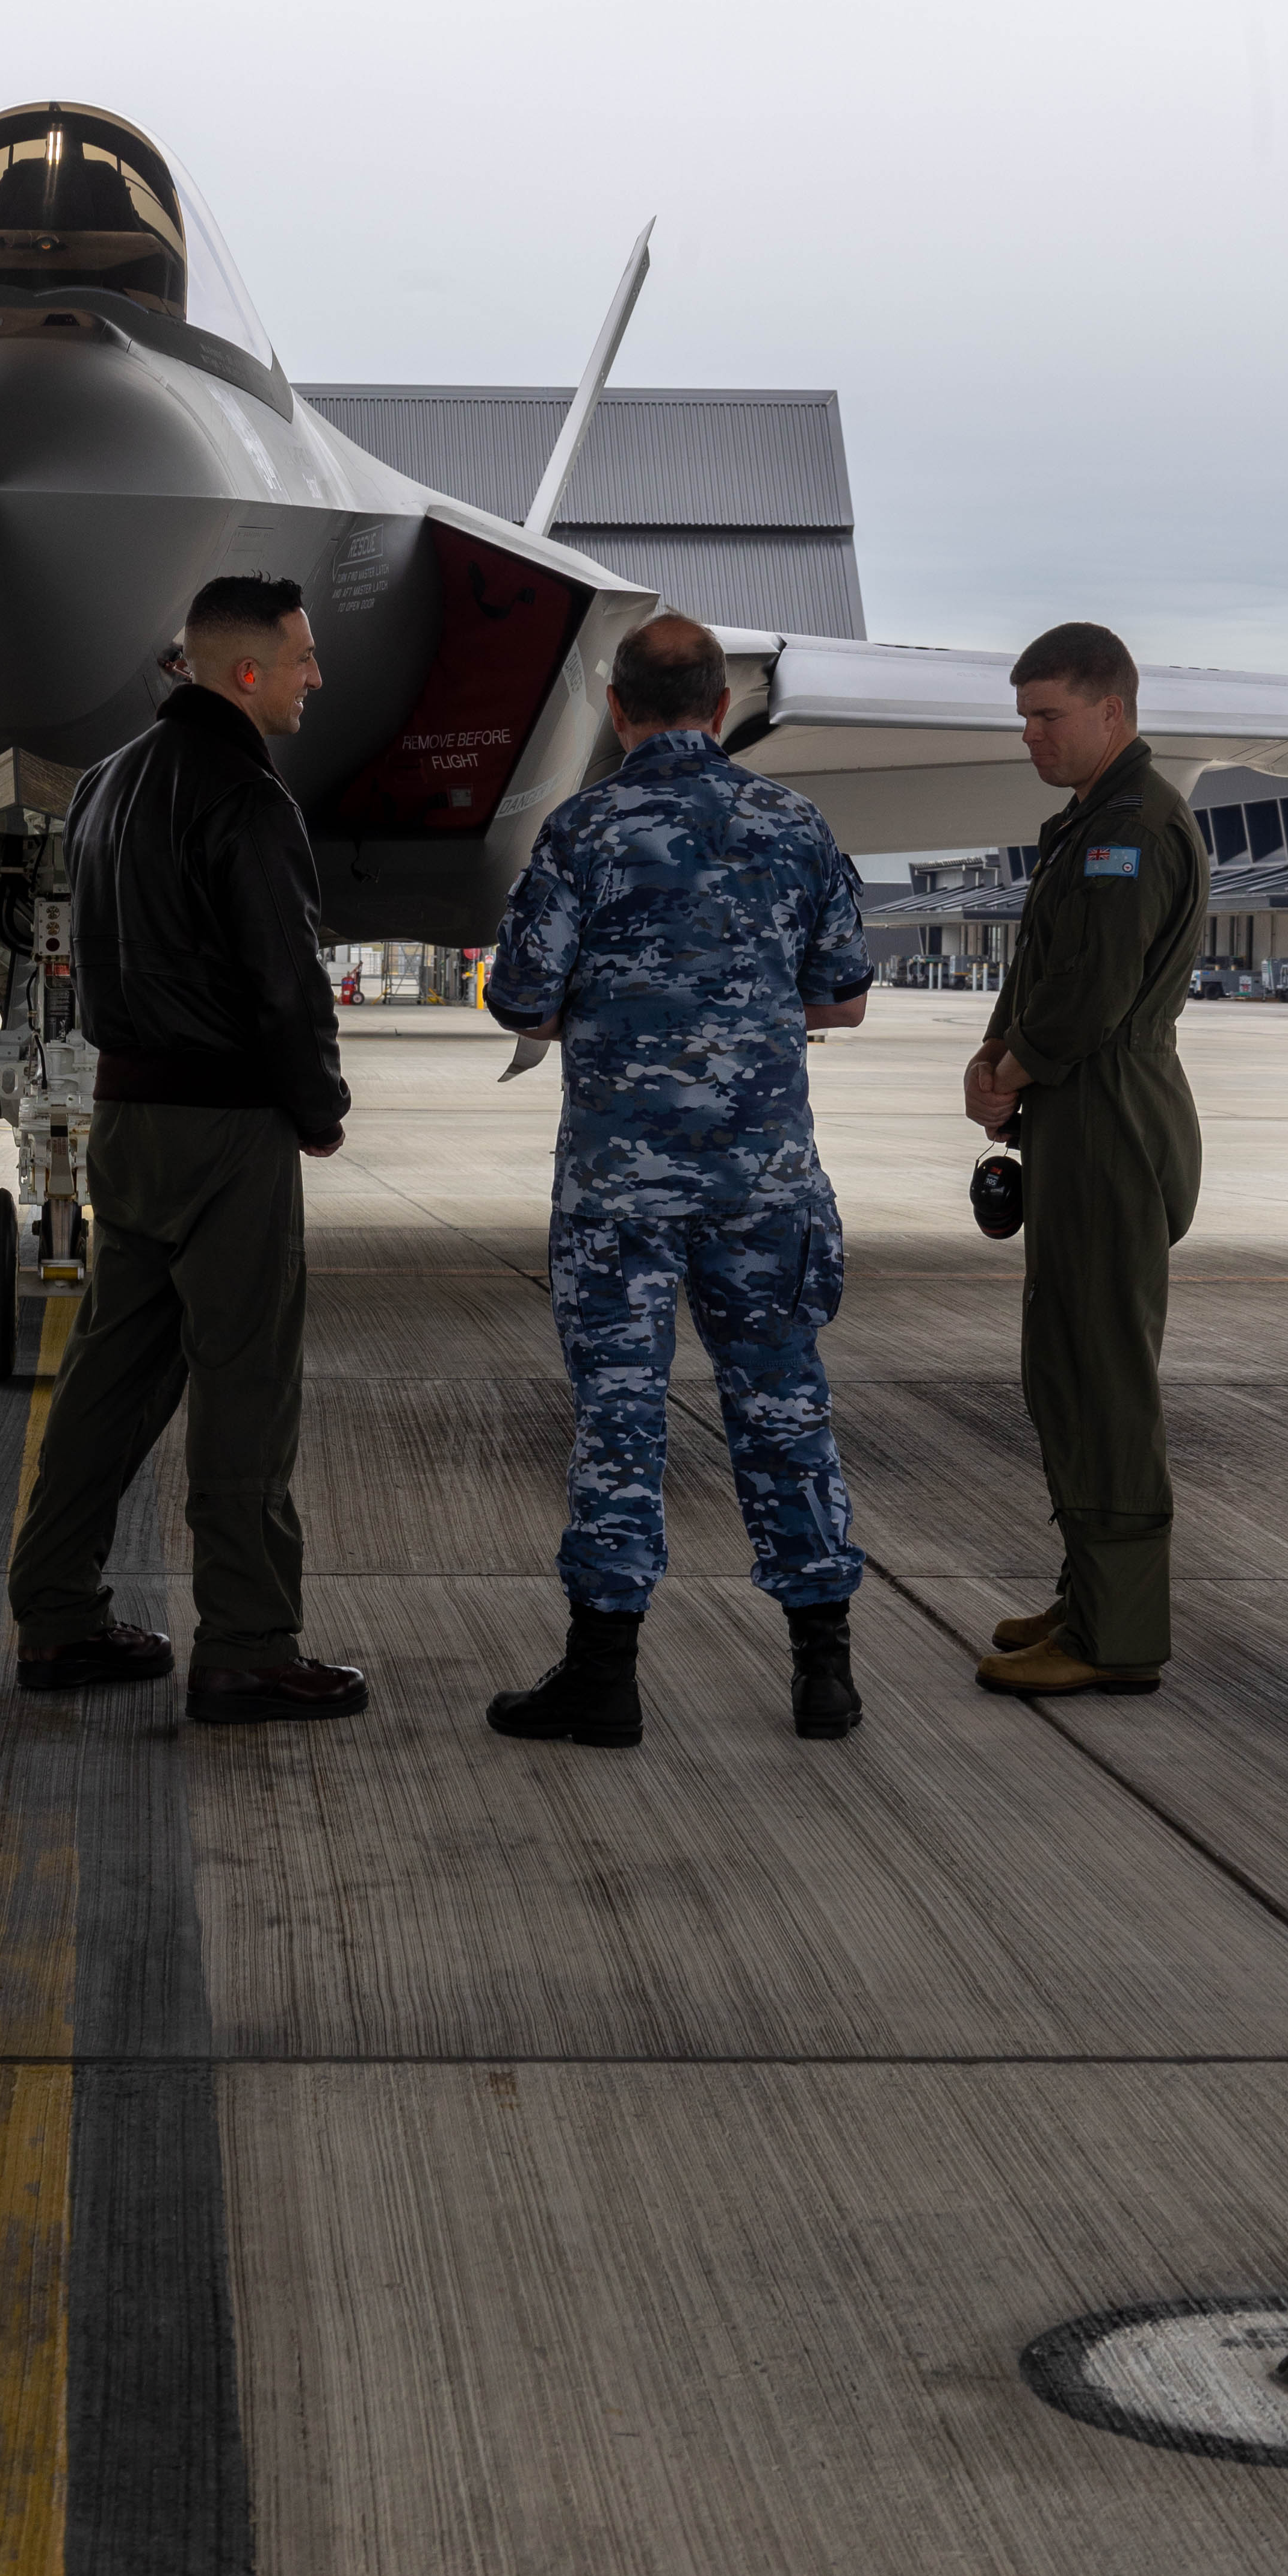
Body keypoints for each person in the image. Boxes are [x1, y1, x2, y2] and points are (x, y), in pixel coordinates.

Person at [484, 612, 873, 1748]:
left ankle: (603, 1676)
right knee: (783, 1405)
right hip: (765, 1182)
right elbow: (844, 991)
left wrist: (623, 1008)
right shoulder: (793, 824)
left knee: (618, 1419)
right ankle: (824, 1675)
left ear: (617, 707)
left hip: (620, 1192)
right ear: (718, 706)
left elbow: (519, 1000)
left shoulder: (582, 831)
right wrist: (738, 1006)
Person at [6, 574, 362, 1726]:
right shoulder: (246, 798)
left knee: (111, 1376)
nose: (317, 676)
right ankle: (250, 1645)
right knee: (246, 1387)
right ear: (244, 671)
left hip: (129, 1118)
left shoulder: (106, 786)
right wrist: (318, 1106)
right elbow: (283, 980)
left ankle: (55, 1614)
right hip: (225, 1128)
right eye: (302, 658)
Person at [964, 622, 1208, 1696]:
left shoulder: (1130, 831)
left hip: (1107, 1117)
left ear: (1111, 710)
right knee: (1063, 1366)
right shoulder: (1090, 823)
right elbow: (1048, 972)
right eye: (1022, 717)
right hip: (1075, 1113)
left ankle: (1117, 1637)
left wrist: (1011, 1065)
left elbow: (1092, 994)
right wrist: (996, 1054)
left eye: (1047, 715)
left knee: (1102, 1378)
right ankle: (1091, 1595)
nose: (1030, 736)